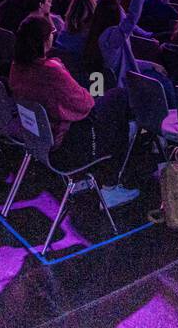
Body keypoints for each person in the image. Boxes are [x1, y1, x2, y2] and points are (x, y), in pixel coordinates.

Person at [7, 16, 139, 207]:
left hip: (39, 137)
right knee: (118, 98)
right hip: (69, 144)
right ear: (44, 40)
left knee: (112, 105)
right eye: (52, 33)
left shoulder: (16, 67)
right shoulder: (50, 70)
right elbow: (85, 104)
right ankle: (110, 187)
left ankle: (101, 173)